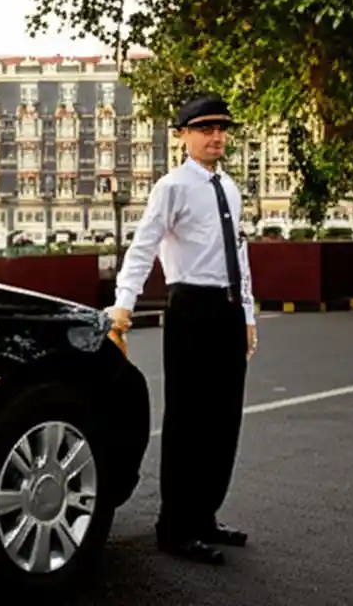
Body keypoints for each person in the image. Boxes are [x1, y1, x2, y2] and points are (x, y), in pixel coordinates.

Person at [107, 93, 256, 566]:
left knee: (224, 419)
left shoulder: (229, 187)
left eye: (221, 129)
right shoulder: (171, 187)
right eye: (205, 129)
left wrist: (248, 315)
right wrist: (123, 306)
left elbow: (241, 255)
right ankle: (175, 527)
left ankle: (204, 516)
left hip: (228, 311)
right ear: (183, 136)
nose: (217, 137)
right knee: (189, 421)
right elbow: (143, 247)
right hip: (191, 308)